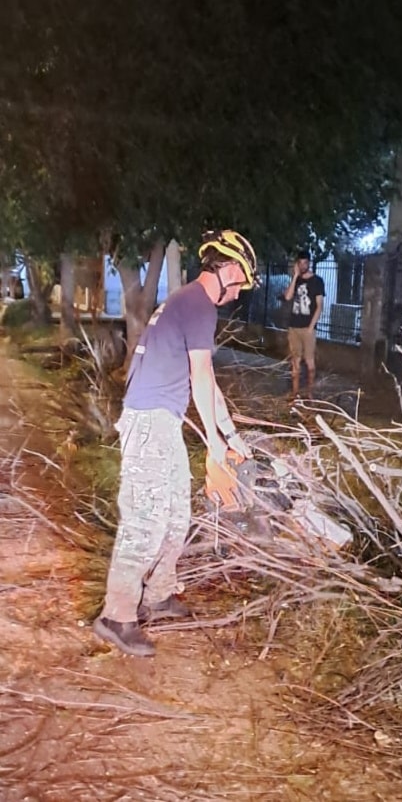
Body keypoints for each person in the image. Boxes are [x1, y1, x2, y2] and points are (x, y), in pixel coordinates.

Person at [93, 230, 257, 657]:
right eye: (240, 283)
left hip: (161, 422)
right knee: (145, 521)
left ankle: (158, 594)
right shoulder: (198, 304)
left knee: (177, 515)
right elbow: (200, 377)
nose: (238, 293)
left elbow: (208, 381)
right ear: (230, 270)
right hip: (149, 422)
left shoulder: (190, 303)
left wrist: (231, 434)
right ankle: (116, 616)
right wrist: (215, 446)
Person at [282, 251, 325, 400]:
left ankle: (310, 393)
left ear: (309, 263)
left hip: (308, 328)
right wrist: (295, 277)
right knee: (295, 362)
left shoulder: (317, 281)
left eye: (305, 263)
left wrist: (311, 327)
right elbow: (288, 297)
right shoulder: (296, 280)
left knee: (310, 363)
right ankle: (295, 394)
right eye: (300, 263)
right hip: (294, 327)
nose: (302, 266)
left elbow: (319, 306)